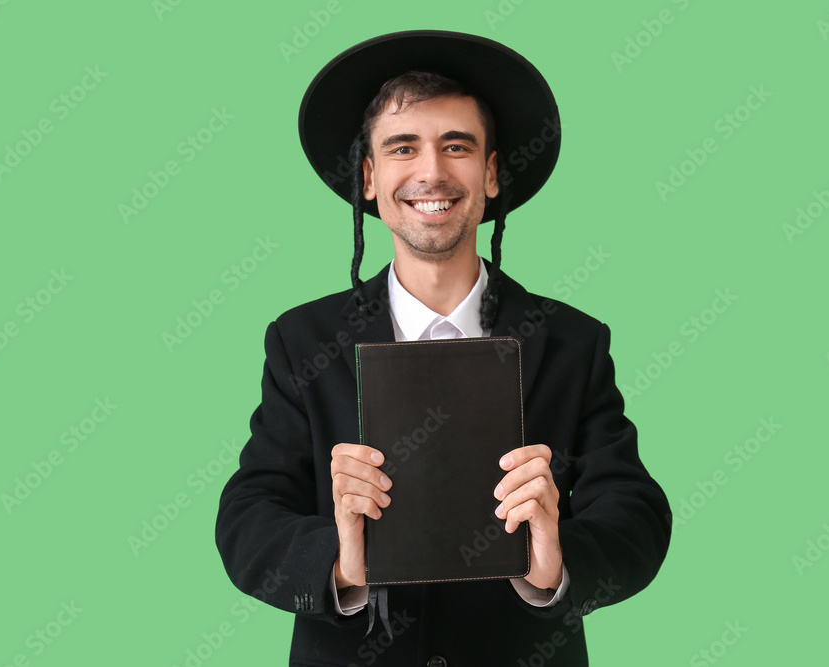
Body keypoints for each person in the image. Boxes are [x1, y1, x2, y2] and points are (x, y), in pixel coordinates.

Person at [215, 30, 671, 666]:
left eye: (456, 146)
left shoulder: (572, 341)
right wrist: (340, 561)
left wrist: (556, 560)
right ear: (368, 178)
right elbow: (247, 518)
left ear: (491, 174)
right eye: (403, 147)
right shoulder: (302, 341)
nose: (431, 171)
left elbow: (636, 514)